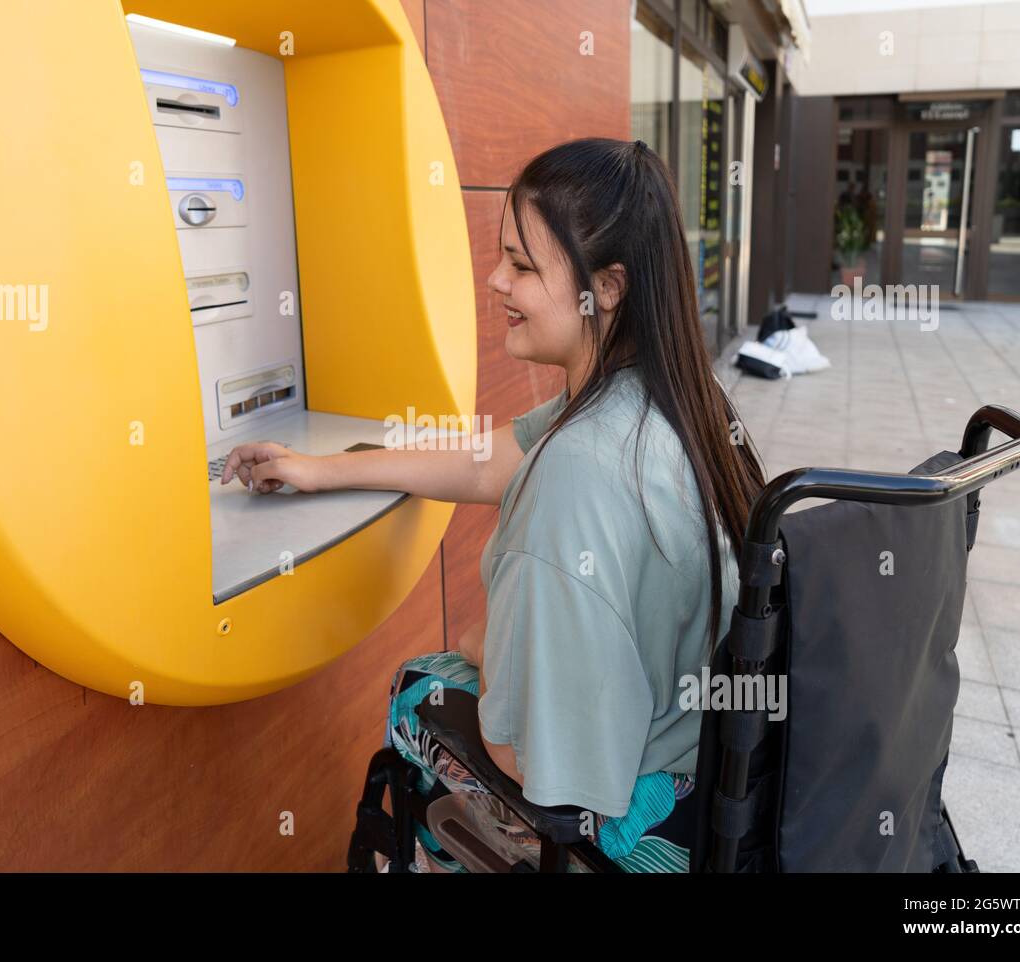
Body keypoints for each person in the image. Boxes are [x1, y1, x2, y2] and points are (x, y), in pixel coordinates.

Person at [221, 137, 765, 872]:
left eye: (522, 265)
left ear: (605, 288)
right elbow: (485, 460)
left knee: (420, 686)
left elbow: (528, 754)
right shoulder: (673, 401)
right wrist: (319, 470)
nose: (494, 280)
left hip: (636, 826)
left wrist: (483, 646)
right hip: (717, 783)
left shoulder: (577, 474)